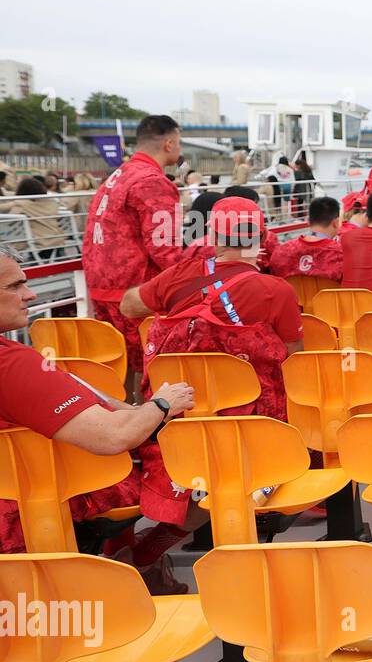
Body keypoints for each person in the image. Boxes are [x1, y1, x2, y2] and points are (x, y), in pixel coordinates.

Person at [0, 246, 196, 591]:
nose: (29, 294)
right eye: (14, 286)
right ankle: (141, 560)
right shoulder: (13, 364)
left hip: (17, 503)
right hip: (32, 506)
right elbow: (112, 438)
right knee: (198, 465)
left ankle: (129, 556)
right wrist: (165, 402)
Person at [120, 196, 303, 534]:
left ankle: (164, 537)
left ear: (214, 239)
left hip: (179, 416)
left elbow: (128, 306)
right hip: (251, 425)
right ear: (262, 238)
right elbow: (292, 355)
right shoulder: (276, 291)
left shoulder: (179, 276)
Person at [81, 114, 194, 381]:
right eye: (178, 142)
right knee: (153, 369)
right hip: (136, 292)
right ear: (169, 143)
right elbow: (164, 248)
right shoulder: (153, 181)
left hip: (103, 287)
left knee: (117, 371)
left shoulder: (118, 175)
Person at [267, 196, 344, 281]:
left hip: (292, 294)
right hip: (329, 294)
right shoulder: (341, 253)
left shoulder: (282, 251)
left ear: (308, 221)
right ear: (336, 223)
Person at [9, 176, 66, 259]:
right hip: (56, 240)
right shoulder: (52, 202)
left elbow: (10, 220)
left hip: (38, 242)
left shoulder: (21, 204)